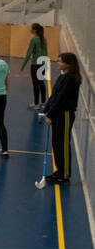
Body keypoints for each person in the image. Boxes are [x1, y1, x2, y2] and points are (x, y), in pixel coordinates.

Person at [42, 52, 81, 185]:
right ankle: (59, 171)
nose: (57, 63)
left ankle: (64, 175)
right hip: (57, 113)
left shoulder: (70, 79)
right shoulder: (62, 77)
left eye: (60, 61)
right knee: (57, 144)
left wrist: (51, 114)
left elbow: (61, 99)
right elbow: (54, 96)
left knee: (63, 144)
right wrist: (46, 110)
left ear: (68, 64)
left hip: (64, 114)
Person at [21, 23, 47, 110]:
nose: (30, 30)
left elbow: (29, 53)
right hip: (43, 63)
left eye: (31, 28)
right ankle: (43, 103)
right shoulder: (44, 39)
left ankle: (36, 104)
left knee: (35, 84)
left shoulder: (34, 39)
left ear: (35, 30)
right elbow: (46, 53)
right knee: (41, 83)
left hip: (36, 64)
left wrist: (23, 66)